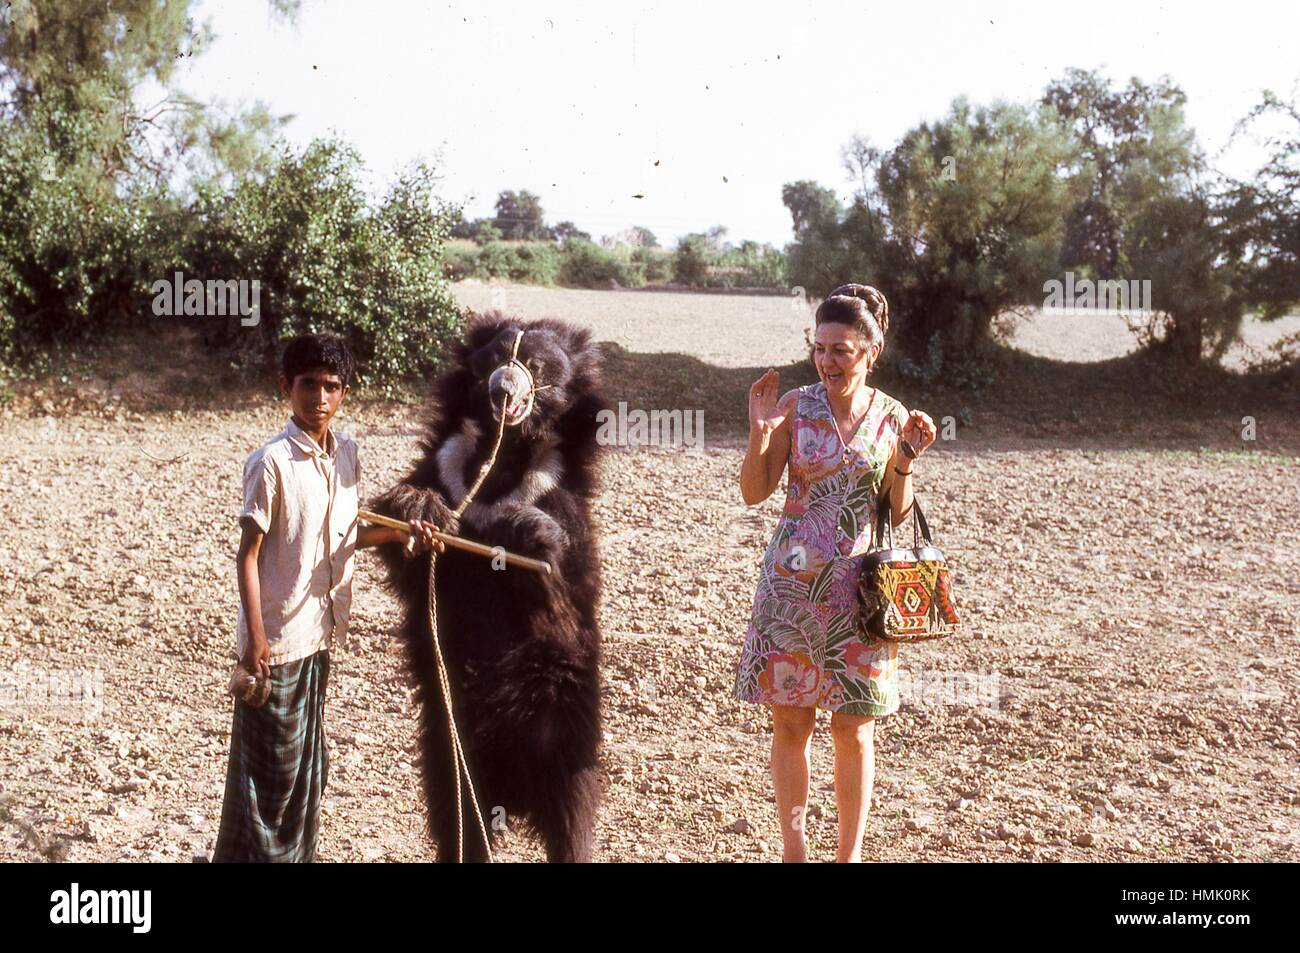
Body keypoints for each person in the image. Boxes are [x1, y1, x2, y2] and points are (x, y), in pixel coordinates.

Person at [213, 333, 443, 862]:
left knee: (306, 773)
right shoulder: (269, 463)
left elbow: (344, 534)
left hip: (321, 634)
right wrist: (254, 642)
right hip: (276, 642)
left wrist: (405, 533)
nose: (319, 397)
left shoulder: (347, 457)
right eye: (308, 385)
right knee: (271, 777)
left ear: (344, 393)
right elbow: (247, 556)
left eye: (331, 387)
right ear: (285, 388)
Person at [735, 284, 937, 863]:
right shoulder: (795, 406)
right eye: (820, 348)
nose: (827, 360)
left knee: (855, 730)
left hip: (861, 598)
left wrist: (904, 459)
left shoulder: (894, 416)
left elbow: (896, 511)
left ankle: (847, 858)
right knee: (792, 726)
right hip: (792, 589)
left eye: (841, 349)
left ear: (870, 353)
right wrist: (759, 434)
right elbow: (754, 492)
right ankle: (793, 852)